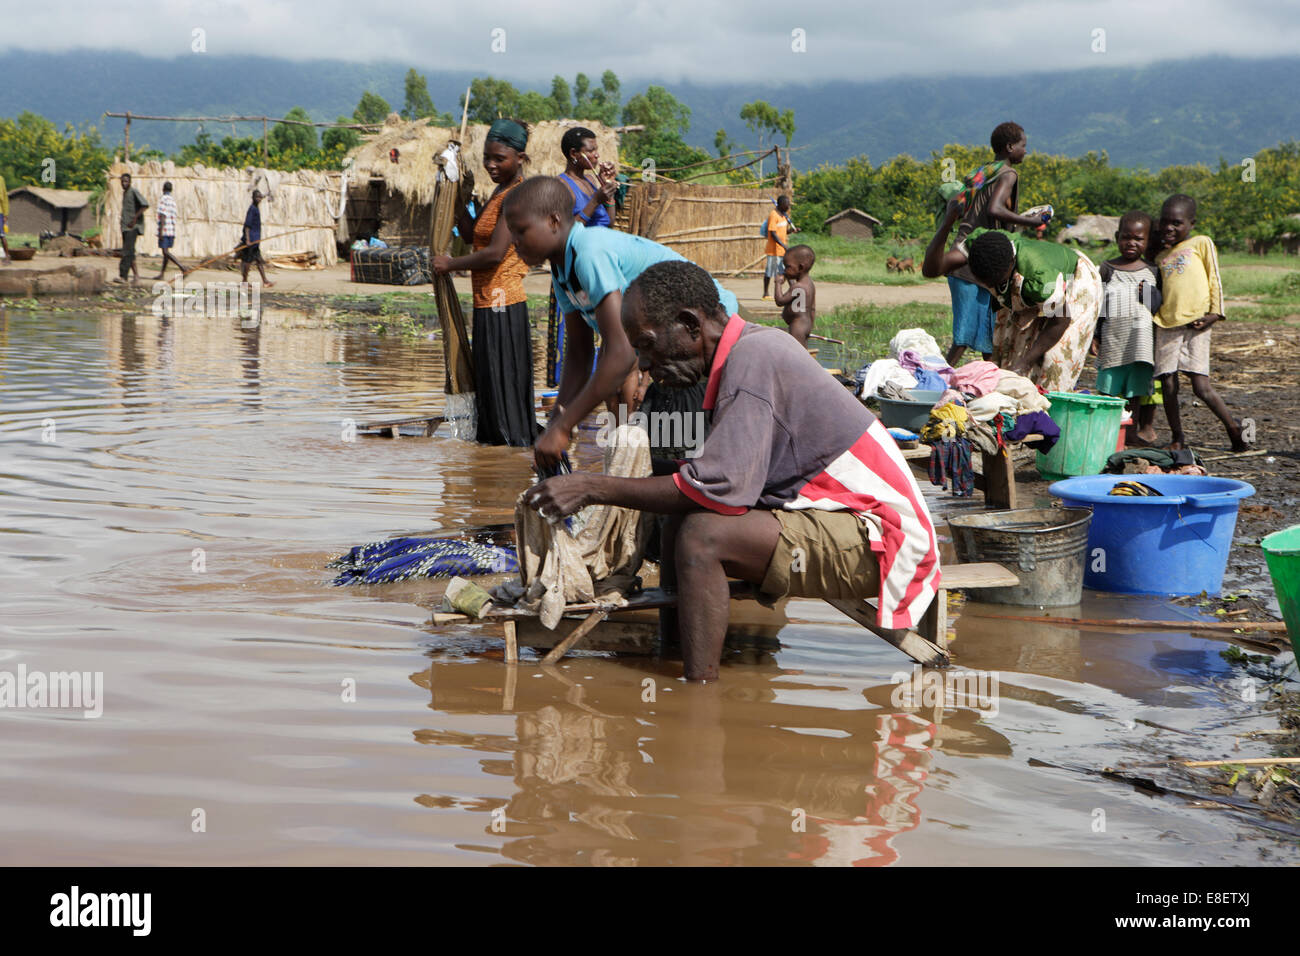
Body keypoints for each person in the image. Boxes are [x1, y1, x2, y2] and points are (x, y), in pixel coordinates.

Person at [523, 260, 941, 682]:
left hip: (883, 538)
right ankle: (672, 654)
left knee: (702, 536)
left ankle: (699, 694)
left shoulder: (753, 360)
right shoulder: (746, 353)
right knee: (678, 518)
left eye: (648, 346)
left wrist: (591, 486)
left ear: (689, 324)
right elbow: (709, 481)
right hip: (849, 524)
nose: (645, 365)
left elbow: (717, 489)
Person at [503, 176, 739, 470]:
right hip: (668, 353)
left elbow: (620, 352)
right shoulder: (561, 269)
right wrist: (556, 422)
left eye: (520, 230)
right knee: (656, 451)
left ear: (553, 221)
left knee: (681, 455)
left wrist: (564, 428)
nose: (513, 241)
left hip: (699, 344)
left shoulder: (589, 252)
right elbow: (579, 352)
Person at [923, 197, 1101, 392]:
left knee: (1054, 362)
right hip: (1028, 281)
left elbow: (1060, 321)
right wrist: (948, 222)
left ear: (1010, 267)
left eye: (995, 282)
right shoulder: (982, 245)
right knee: (1008, 350)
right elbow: (931, 270)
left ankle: (1048, 413)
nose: (989, 286)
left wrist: (1026, 362)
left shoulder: (1039, 279)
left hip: (1074, 279)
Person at [432, 118, 537, 447]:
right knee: (491, 385)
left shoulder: (516, 196)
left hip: (504, 304)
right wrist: (453, 192)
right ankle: (494, 458)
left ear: (519, 158)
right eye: (487, 158)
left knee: (502, 386)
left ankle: (511, 451)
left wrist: (450, 264)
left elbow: (493, 253)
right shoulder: (499, 192)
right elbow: (471, 234)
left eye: (499, 159)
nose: (491, 165)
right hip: (487, 302)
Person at [943, 121, 1048, 366]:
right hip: (973, 261)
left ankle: (995, 380)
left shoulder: (982, 173)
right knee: (965, 336)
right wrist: (1030, 221)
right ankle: (939, 384)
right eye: (1024, 146)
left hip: (968, 256)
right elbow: (995, 209)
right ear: (1011, 147)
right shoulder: (1008, 173)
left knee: (988, 333)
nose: (1026, 151)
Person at [1152, 194, 1246, 452]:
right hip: (1167, 324)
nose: (1169, 227)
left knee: (1200, 387)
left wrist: (1215, 313)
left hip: (1198, 323)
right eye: (1165, 222)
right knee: (1168, 384)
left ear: (1191, 223)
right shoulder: (1161, 255)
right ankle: (1177, 436)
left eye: (1177, 222)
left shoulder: (1201, 243)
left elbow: (1214, 278)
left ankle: (1233, 428)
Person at [1092, 211, 1159, 445]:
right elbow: (1099, 305)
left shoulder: (1152, 270)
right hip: (1113, 338)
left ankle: (1130, 434)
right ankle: (1104, 431)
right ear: (1117, 237)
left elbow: (1157, 307)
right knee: (1108, 388)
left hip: (1141, 342)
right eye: (1126, 237)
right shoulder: (1107, 268)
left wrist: (1149, 295)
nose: (1132, 243)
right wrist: (1096, 336)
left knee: (1135, 392)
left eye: (1138, 239)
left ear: (1147, 241)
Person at [558, 126, 617, 228]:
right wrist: (595, 201)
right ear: (573, 153)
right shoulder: (561, 185)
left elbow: (609, 223)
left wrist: (608, 186)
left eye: (596, 150)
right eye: (590, 151)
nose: (597, 155)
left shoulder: (591, 180)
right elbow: (566, 231)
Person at [772, 244, 816, 346]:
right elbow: (812, 309)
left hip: (797, 326)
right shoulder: (809, 284)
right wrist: (810, 325)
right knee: (802, 350)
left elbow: (779, 301)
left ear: (800, 267)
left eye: (787, 267)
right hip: (805, 324)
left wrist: (778, 283)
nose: (785, 270)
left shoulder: (798, 287)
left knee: (797, 353)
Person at [762, 195, 796, 300]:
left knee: (785, 270)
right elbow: (772, 233)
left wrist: (792, 230)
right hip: (774, 250)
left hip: (782, 250)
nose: (788, 207)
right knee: (769, 272)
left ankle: (793, 290)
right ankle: (766, 293)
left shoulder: (783, 216)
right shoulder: (773, 215)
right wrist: (783, 245)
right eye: (786, 205)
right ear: (781, 204)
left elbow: (783, 231)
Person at [117, 172, 148, 285]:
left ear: (130, 182)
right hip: (125, 227)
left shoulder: (133, 191)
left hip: (132, 227)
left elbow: (145, 205)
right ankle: (136, 276)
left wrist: (135, 219)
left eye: (126, 181)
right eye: (122, 181)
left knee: (126, 252)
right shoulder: (125, 193)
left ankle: (123, 276)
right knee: (130, 253)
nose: (124, 183)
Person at [240, 189, 274, 288]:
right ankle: (244, 282)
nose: (258, 199)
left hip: (255, 241)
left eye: (259, 197)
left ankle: (265, 281)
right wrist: (247, 240)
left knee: (259, 261)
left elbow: (263, 196)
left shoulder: (256, 207)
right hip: (251, 240)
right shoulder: (252, 209)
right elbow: (247, 225)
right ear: (253, 198)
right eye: (257, 197)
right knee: (247, 261)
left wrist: (265, 195)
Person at [155, 181, 185, 278]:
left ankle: (183, 268)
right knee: (165, 253)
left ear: (163, 189)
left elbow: (163, 215)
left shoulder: (163, 199)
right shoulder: (173, 201)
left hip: (165, 229)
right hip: (171, 230)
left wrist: (160, 231)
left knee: (165, 252)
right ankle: (162, 274)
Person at [0, 171, 11, 263]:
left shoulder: (1, 179)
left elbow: (4, 198)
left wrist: (5, 214)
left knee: (1, 235)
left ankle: (7, 256)